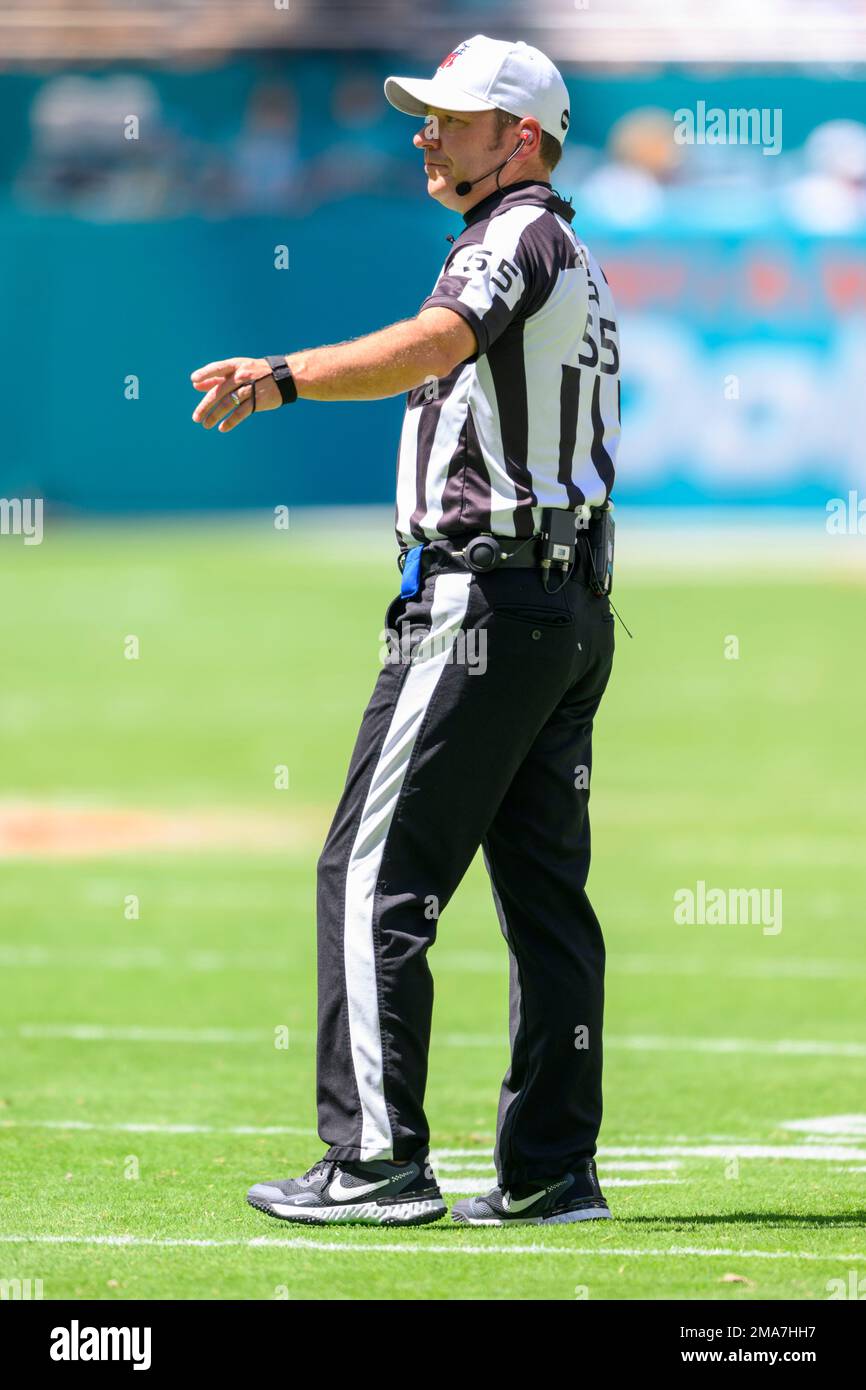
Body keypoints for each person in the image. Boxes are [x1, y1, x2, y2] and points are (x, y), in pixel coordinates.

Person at [190, 34, 621, 1227]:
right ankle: (547, 1168)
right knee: (543, 901)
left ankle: (376, 1160)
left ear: (519, 137)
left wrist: (286, 374)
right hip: (564, 602)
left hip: (484, 600)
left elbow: (434, 343)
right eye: (424, 114)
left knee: (372, 870)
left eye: (451, 116)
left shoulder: (511, 237)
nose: (424, 131)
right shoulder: (566, 248)